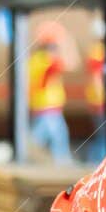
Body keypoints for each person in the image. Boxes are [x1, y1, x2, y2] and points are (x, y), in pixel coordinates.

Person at [28, 20, 77, 162]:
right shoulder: (47, 61)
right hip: (48, 111)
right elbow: (71, 64)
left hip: (42, 108)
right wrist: (68, 42)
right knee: (56, 142)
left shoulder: (35, 59)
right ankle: (62, 166)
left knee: (51, 140)